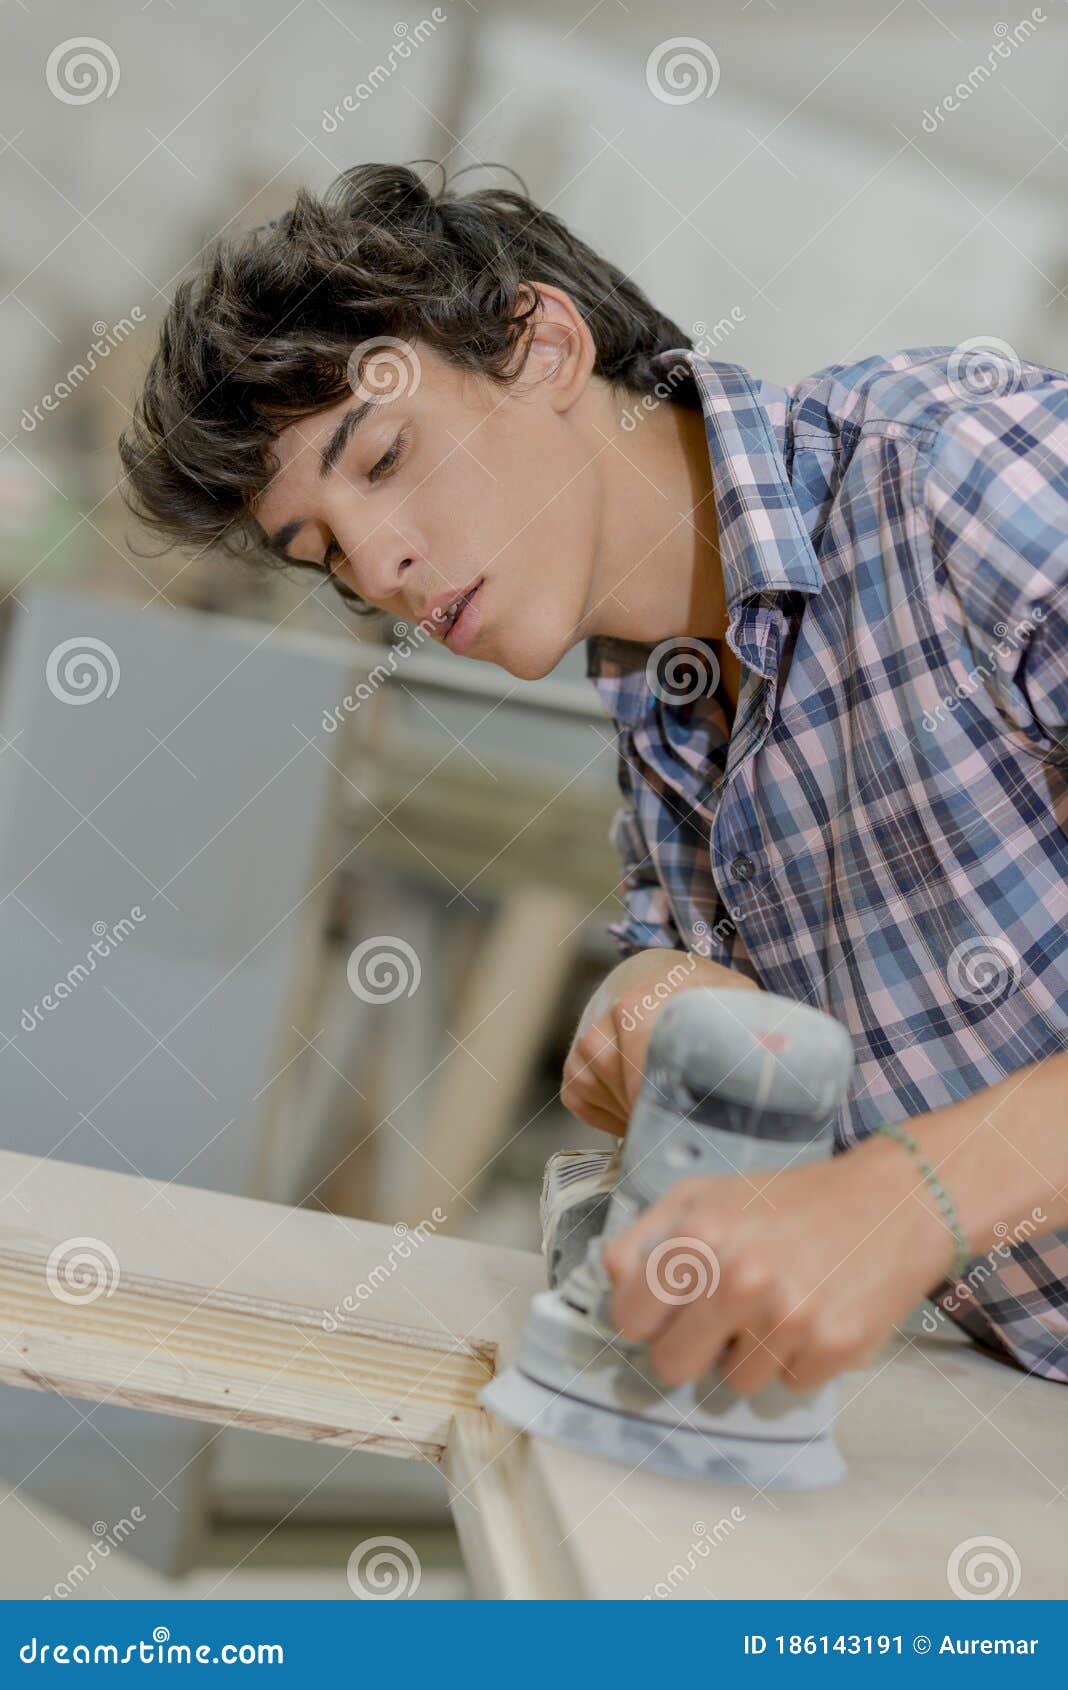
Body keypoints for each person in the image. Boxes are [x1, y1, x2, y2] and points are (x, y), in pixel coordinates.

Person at [120, 162, 1068, 1395]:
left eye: (388, 458)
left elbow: (904, 1195)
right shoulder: (666, 717)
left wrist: (901, 1200)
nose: (386, 566)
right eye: (330, 554)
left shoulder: (962, 479)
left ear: (544, 344)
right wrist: (675, 1000)